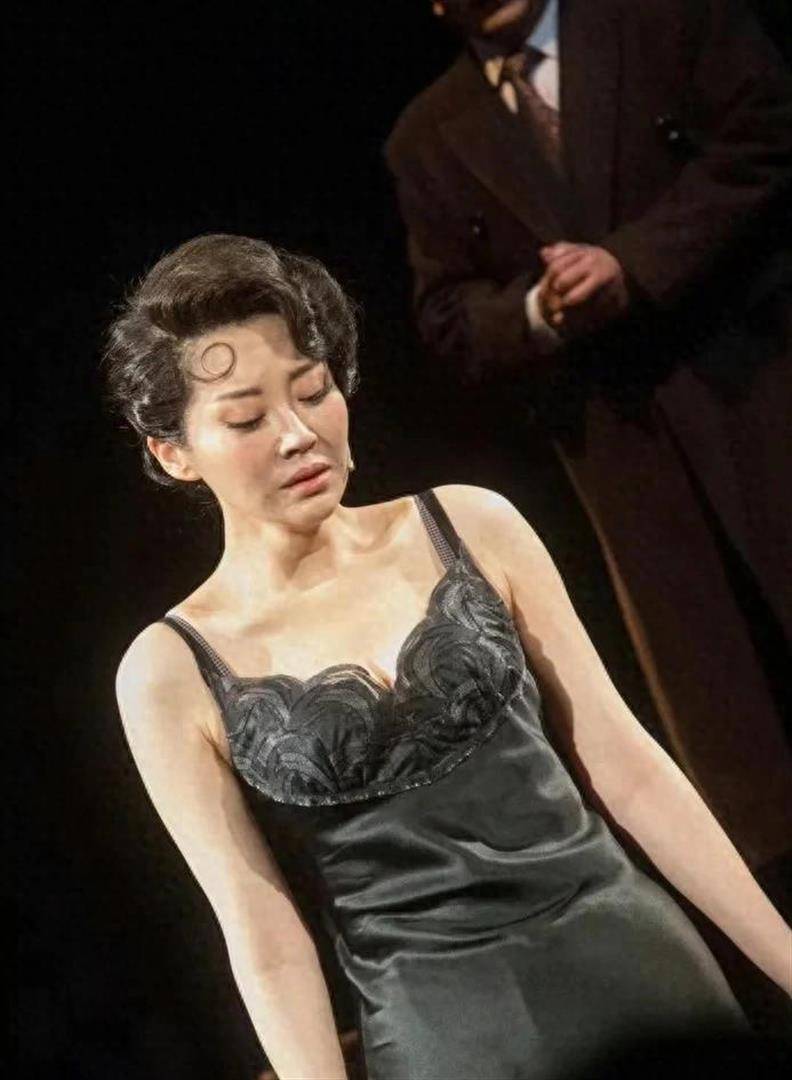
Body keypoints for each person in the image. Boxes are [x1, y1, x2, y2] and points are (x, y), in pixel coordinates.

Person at [106, 234, 790, 1080]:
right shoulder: (169, 668)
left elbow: (627, 767)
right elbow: (262, 930)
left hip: (638, 969)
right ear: (173, 452)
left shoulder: (469, 523)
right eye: (246, 419)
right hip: (440, 1038)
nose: (297, 433)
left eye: (313, 391)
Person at [384, 0, 792, 886]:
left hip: (757, 382)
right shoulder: (428, 137)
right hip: (620, 445)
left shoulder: (658, 18)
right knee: (724, 713)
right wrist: (537, 310)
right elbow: (447, 318)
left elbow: (766, 135)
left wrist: (633, 263)